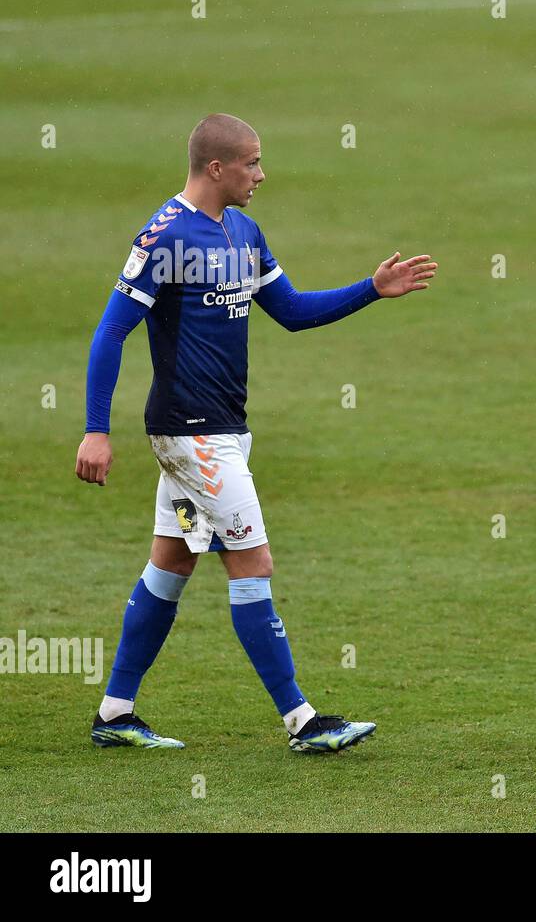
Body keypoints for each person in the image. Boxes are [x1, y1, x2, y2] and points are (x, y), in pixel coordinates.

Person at [75, 113, 437, 752]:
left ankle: (114, 714)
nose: (261, 175)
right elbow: (110, 332)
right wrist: (95, 430)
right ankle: (303, 722)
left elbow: (292, 312)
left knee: (173, 561)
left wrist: (372, 291)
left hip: (224, 429)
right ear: (216, 168)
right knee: (253, 561)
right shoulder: (165, 237)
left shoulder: (243, 232)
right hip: (190, 433)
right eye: (251, 164)